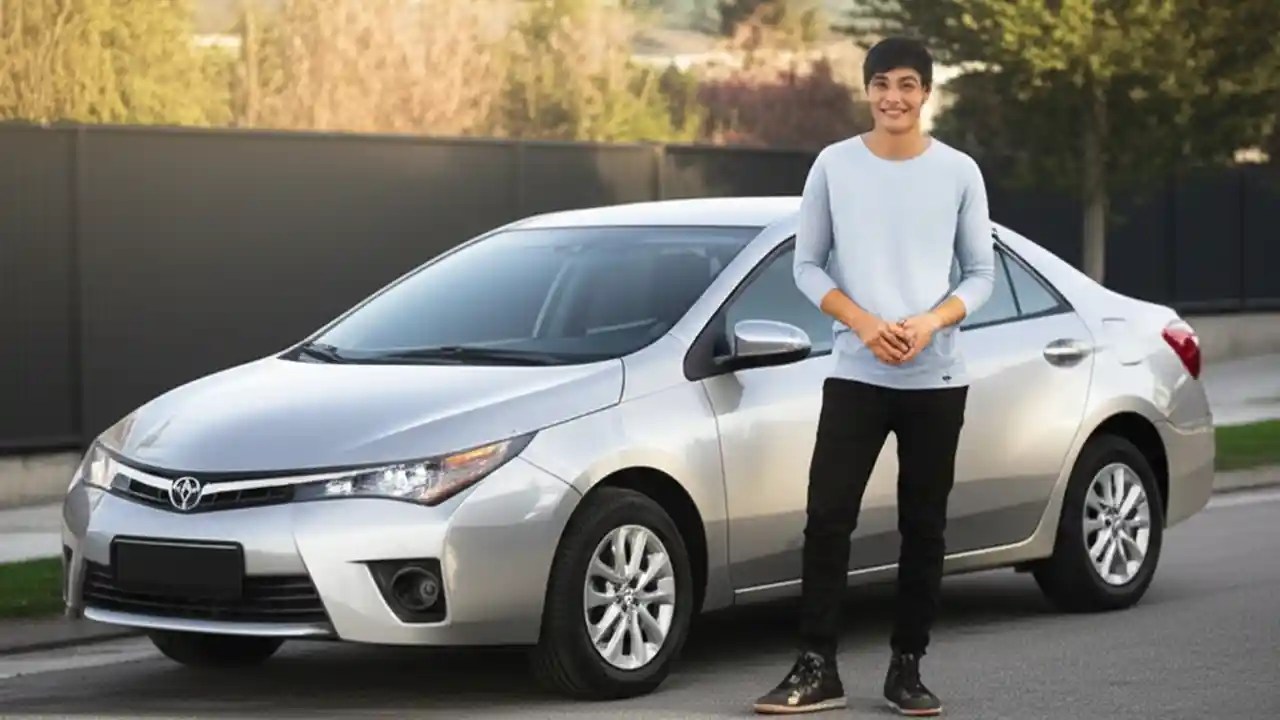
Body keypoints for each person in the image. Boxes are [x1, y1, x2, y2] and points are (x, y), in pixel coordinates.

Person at [751, 36, 995, 716]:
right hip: (857, 373)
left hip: (937, 378)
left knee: (925, 526)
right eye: (882, 82)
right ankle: (816, 664)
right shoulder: (834, 165)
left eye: (908, 83)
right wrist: (861, 323)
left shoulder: (959, 172)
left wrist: (929, 322)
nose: (894, 95)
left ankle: (907, 667)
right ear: (867, 89)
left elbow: (981, 276)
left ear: (926, 93)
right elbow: (806, 265)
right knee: (828, 517)